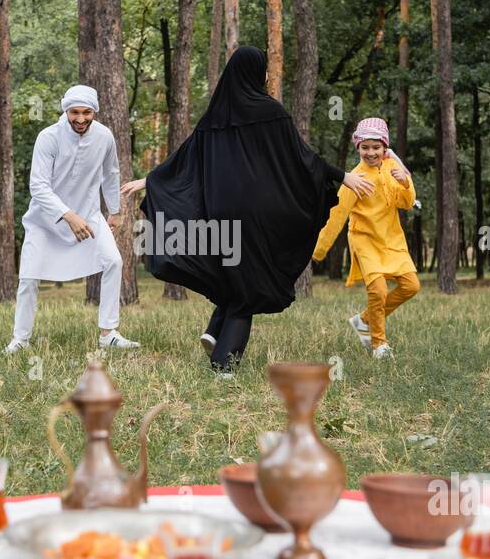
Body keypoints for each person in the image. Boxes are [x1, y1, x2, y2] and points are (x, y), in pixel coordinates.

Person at [121, 46, 373, 374]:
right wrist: (344, 177)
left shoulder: (214, 117)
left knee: (234, 276)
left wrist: (150, 180)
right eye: (264, 69)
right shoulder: (271, 111)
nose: (268, 75)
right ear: (255, 72)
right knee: (250, 286)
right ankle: (224, 364)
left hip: (219, 214)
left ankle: (214, 332)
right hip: (258, 215)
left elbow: (185, 158)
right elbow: (304, 159)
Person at [4, 84, 139, 354]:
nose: (80, 119)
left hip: (89, 216)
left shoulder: (105, 137)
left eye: (87, 112)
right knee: (29, 277)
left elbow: (110, 174)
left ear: (95, 111)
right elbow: (38, 187)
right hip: (45, 220)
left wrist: (115, 211)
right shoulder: (48, 137)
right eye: (74, 112)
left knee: (113, 261)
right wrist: (67, 215)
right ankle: (20, 339)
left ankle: (108, 333)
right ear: (66, 110)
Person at [312, 118, 419, 359]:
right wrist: (318, 250)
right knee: (378, 291)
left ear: (384, 148)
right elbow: (336, 216)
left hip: (392, 240)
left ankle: (363, 320)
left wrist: (405, 183)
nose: (371, 153)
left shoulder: (393, 167)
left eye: (376, 147)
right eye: (365, 147)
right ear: (358, 148)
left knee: (412, 286)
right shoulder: (355, 179)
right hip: (365, 241)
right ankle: (378, 343)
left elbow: (408, 202)